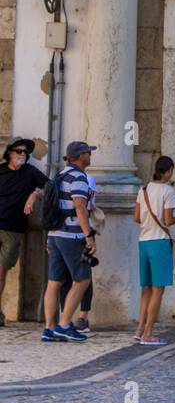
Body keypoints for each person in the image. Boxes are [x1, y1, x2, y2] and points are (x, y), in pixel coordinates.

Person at [42, 141, 97, 343]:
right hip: (71, 236)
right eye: (87, 153)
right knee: (82, 279)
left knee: (54, 281)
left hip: (54, 234)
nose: (90, 156)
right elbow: (80, 207)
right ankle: (64, 324)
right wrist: (88, 235)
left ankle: (48, 328)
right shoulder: (79, 177)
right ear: (80, 155)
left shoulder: (60, 175)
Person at [133, 155, 175, 346]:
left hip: (144, 242)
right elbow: (168, 220)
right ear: (169, 170)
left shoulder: (144, 189)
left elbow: (137, 217)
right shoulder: (168, 191)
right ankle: (148, 333)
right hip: (159, 242)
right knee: (158, 290)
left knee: (146, 289)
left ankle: (140, 330)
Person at [0, 137, 47, 328]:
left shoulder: (30, 172)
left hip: (14, 228)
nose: (22, 154)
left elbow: (49, 186)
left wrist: (33, 194)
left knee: (1, 271)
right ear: (9, 153)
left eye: (25, 152)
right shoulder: (0, 171)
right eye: (19, 151)